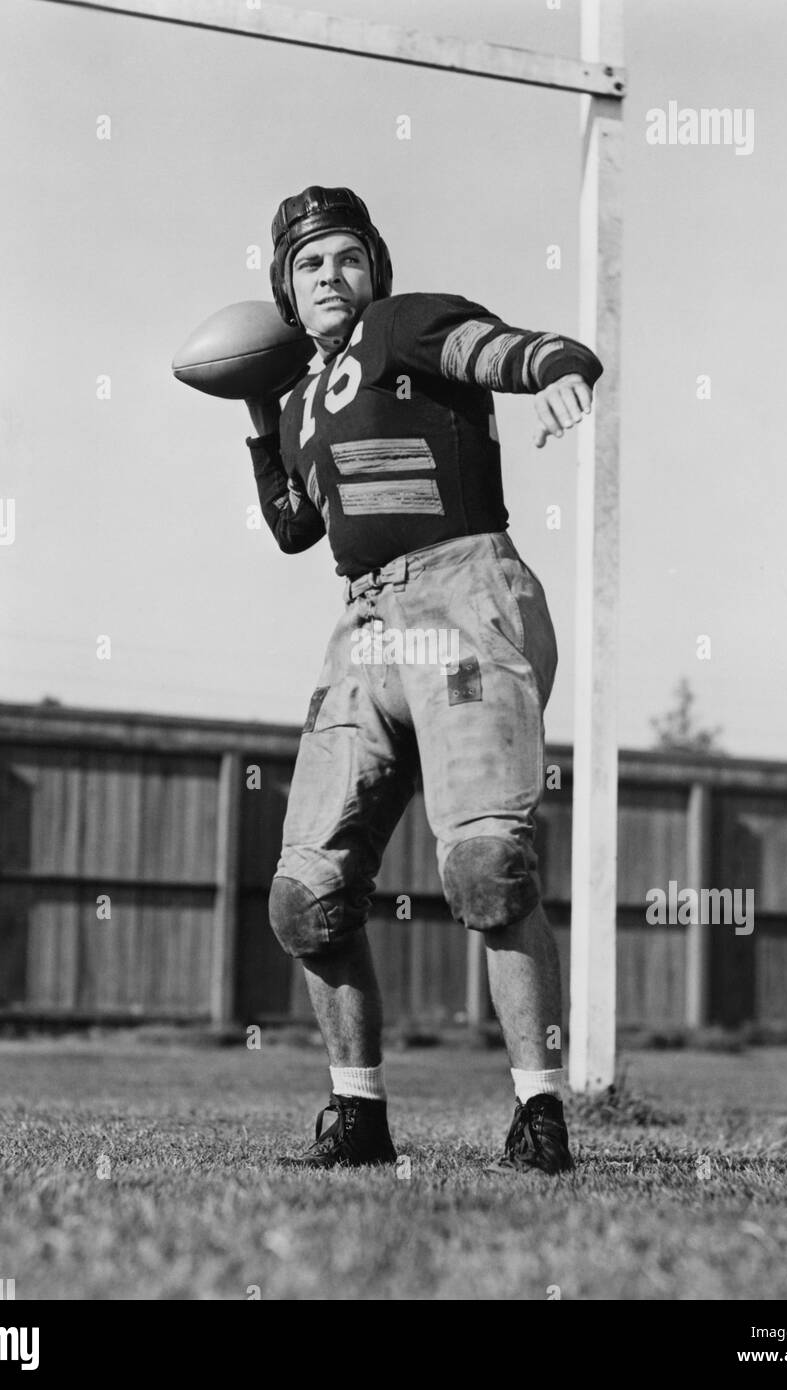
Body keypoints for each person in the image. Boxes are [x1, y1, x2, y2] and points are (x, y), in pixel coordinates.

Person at [244, 186, 603, 1174]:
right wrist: (251, 399)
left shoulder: (399, 326)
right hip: (361, 620)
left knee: (486, 868)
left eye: (347, 256)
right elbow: (292, 526)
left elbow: (492, 348)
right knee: (304, 897)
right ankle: (356, 1114)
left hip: (460, 594)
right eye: (309, 263)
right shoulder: (297, 402)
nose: (331, 275)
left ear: (374, 270)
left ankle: (538, 1110)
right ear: (283, 287)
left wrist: (560, 368)